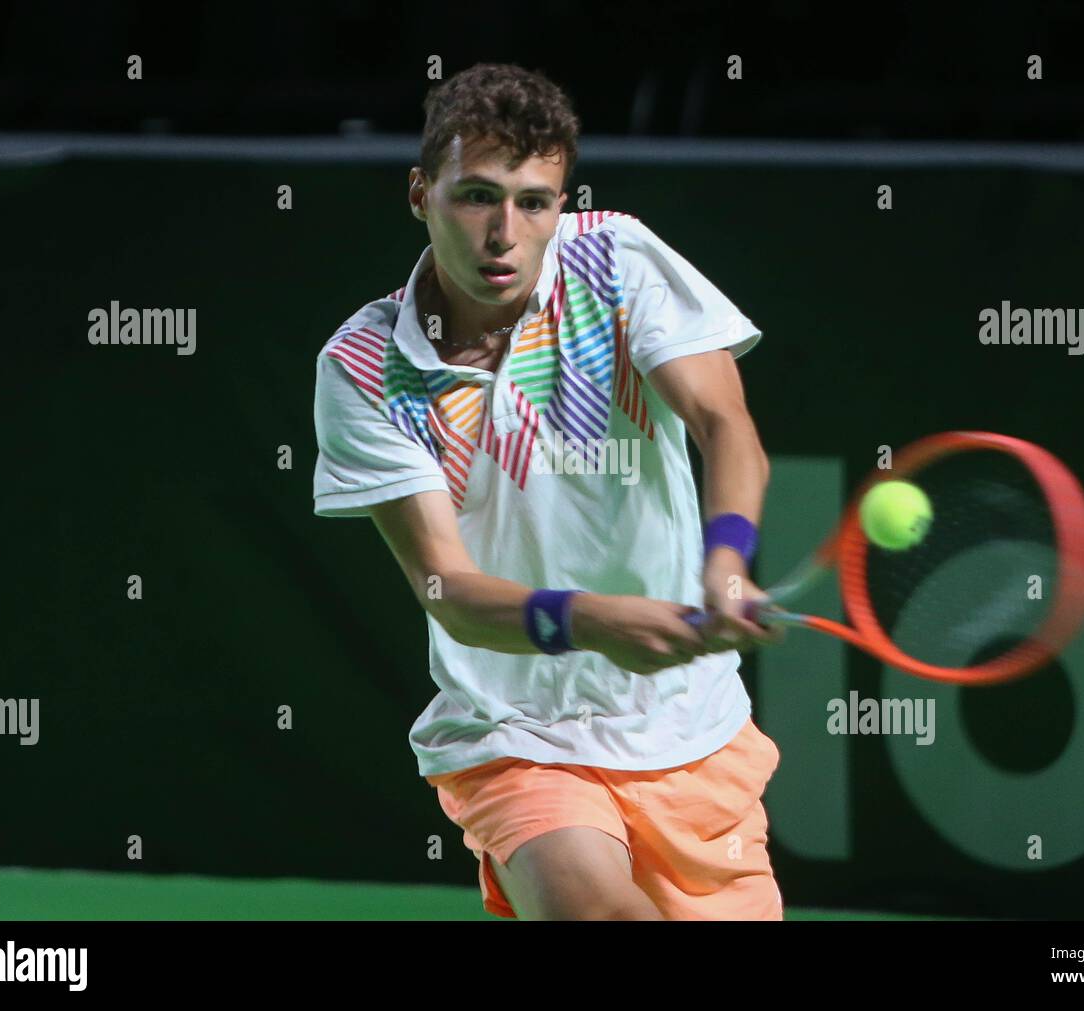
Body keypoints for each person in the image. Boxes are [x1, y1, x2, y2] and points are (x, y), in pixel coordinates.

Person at [313, 62, 784, 920]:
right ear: (420, 193)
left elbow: (724, 422)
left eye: (535, 201)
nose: (505, 232)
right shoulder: (362, 366)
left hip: (690, 725)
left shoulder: (614, 259)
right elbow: (447, 589)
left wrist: (728, 563)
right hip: (513, 729)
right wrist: (595, 619)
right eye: (477, 196)